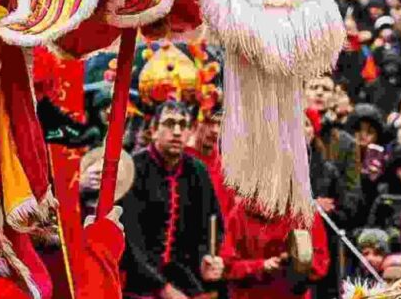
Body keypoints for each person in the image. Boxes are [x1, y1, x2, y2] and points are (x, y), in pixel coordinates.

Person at [121, 100, 224, 299]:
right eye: (169, 124)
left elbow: (212, 226)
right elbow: (129, 240)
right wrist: (163, 288)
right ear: (153, 130)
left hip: (186, 279)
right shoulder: (133, 168)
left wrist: (207, 258)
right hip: (140, 284)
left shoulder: (198, 171)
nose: (177, 132)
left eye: (183, 125)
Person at [202, 198, 330, 299]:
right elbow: (227, 267)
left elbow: (321, 265)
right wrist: (261, 266)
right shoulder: (240, 212)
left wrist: (295, 262)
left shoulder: (303, 212)